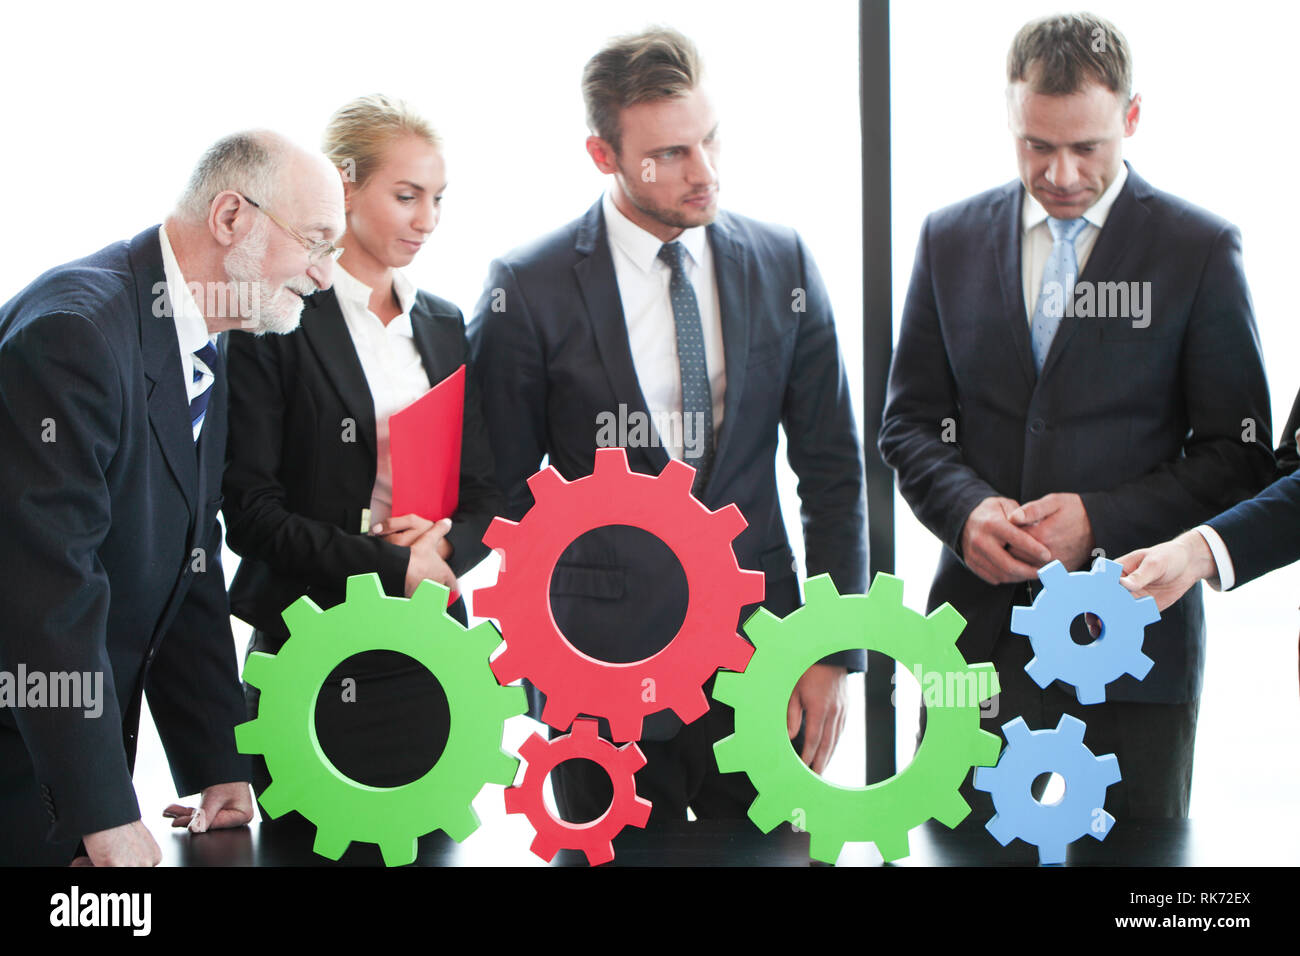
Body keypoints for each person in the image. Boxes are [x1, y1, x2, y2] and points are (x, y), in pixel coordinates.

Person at [878, 12, 1274, 820]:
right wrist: (963, 513)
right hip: (971, 640)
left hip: (1133, 646)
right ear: (1010, 117)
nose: (1059, 172)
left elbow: (1238, 455)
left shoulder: (1199, 249)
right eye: (1036, 145)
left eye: (1086, 147)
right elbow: (908, 422)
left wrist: (1101, 520)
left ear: (1132, 118)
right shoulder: (947, 238)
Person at [468, 27, 867, 824]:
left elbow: (831, 471)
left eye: (710, 139)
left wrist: (830, 649)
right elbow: (495, 493)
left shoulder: (782, 261)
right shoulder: (530, 286)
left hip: (763, 653)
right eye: (672, 154)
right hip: (595, 665)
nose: (705, 172)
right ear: (602, 155)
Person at [0, 130, 344, 865]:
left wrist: (216, 757)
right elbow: (45, 593)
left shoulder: (207, 335)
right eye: (315, 243)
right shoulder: (76, 335)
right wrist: (100, 810)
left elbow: (190, 557)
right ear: (230, 218)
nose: (324, 276)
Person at [222, 95, 502, 804]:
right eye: (406, 196)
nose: (427, 220)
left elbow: (486, 494)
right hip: (309, 644)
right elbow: (250, 513)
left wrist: (440, 547)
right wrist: (391, 561)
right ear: (343, 187)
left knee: (433, 839)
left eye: (438, 198)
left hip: (427, 645)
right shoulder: (276, 316)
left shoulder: (443, 324)